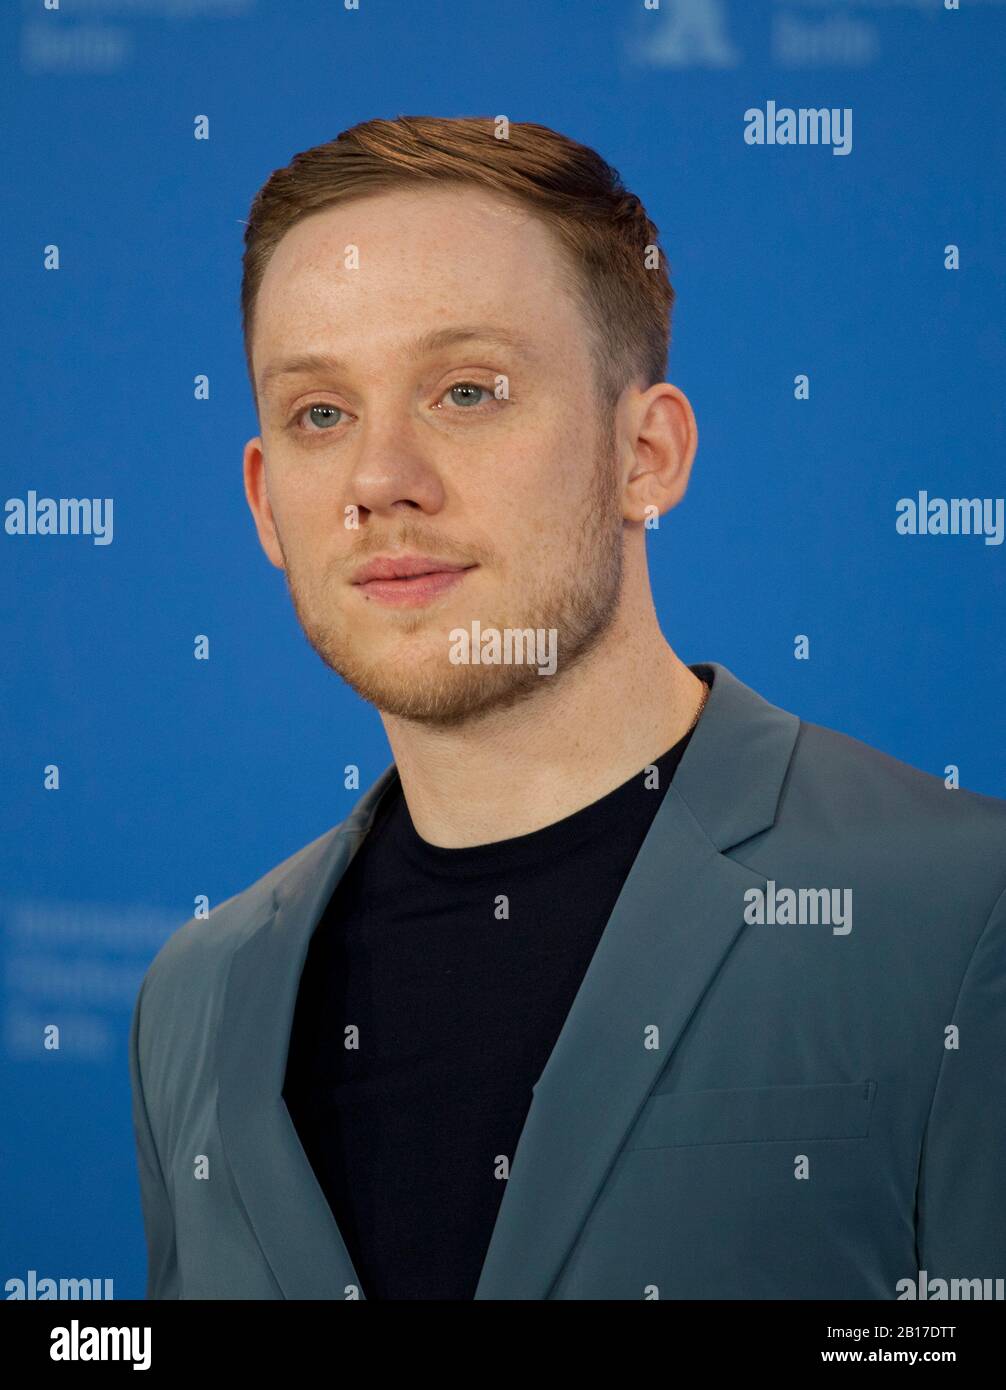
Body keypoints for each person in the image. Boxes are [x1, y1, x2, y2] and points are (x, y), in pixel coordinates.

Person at [128, 116, 1006, 1300]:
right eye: (320, 415)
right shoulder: (194, 995)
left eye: (467, 390)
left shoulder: (961, 912)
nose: (380, 479)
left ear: (646, 453)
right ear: (265, 503)